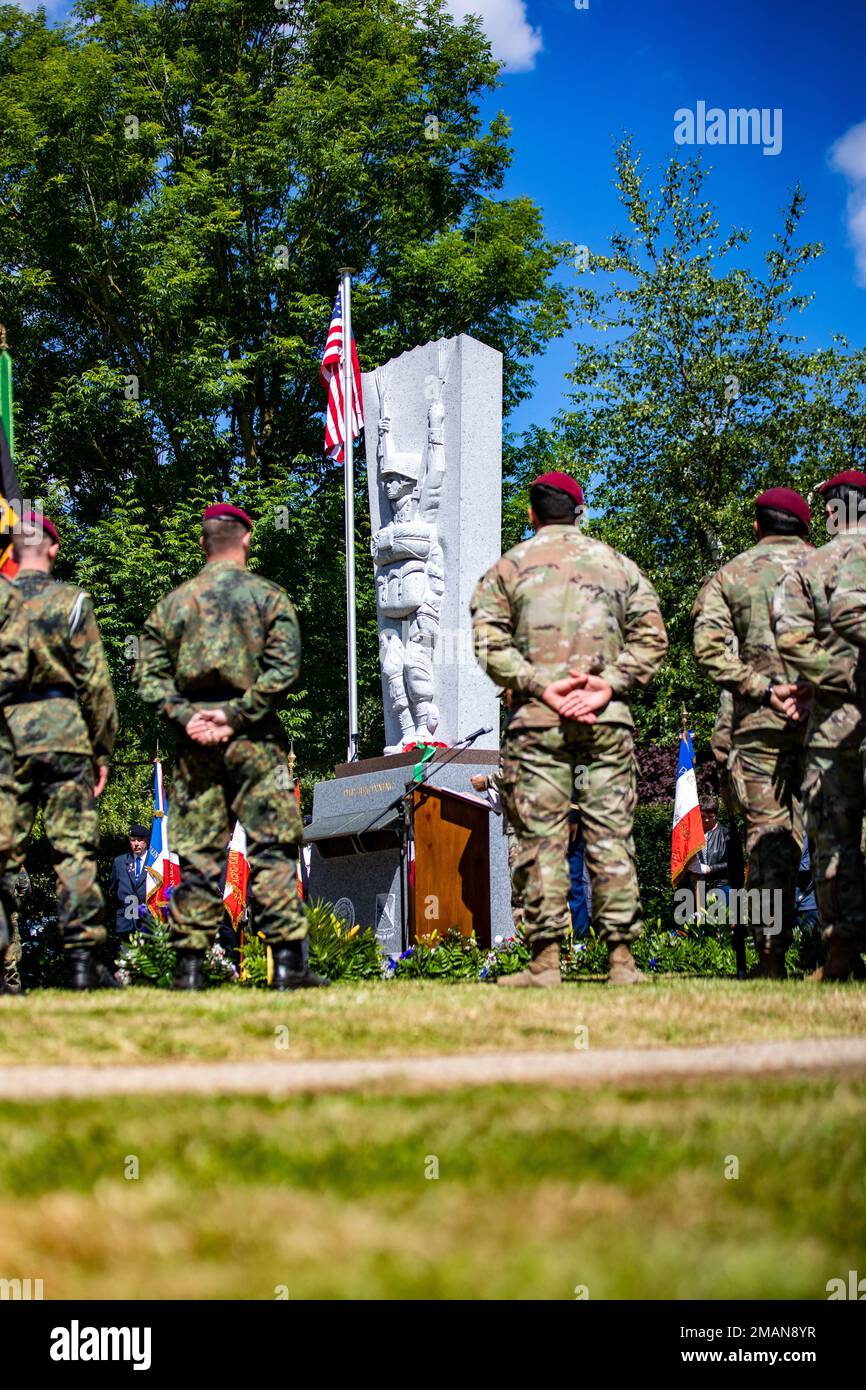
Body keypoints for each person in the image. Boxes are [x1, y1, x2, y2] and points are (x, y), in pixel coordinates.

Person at [470, 471, 668, 986]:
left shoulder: (508, 568)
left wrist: (540, 685)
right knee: (611, 833)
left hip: (537, 722)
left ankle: (546, 963)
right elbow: (653, 638)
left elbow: (487, 643)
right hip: (605, 720)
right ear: (579, 512)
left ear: (532, 514)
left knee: (541, 837)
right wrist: (607, 685)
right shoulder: (618, 566)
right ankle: (622, 961)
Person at [135, 503, 326, 990]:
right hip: (255, 742)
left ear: (203, 543)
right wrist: (235, 714)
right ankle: (287, 966)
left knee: (199, 855)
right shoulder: (268, 597)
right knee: (272, 850)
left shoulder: (173, 604)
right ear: (246, 539)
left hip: (196, 746)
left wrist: (191, 717)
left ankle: (191, 970)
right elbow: (285, 671)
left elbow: (147, 676)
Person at [692, 488, 812, 977]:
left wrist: (762, 689)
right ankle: (844, 949)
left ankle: (770, 958)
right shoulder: (836, 567)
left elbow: (708, 647)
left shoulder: (731, 575)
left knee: (768, 839)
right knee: (842, 832)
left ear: (758, 527)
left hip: (759, 729)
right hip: (829, 721)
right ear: (806, 527)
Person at [0, 511, 116, 989]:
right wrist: (101, 750)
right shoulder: (71, 602)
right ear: (51, 547)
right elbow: (97, 685)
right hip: (65, 734)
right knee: (73, 851)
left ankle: (5, 976)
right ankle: (84, 966)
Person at [773, 470, 866, 981]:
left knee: (834, 836)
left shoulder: (815, 564)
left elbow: (789, 637)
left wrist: (829, 679)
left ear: (835, 510)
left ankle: (841, 956)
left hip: (836, 716)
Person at [108, 822, 151, 942]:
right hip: (126, 924)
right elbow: (112, 891)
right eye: (133, 840)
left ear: (146, 841)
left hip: (149, 923)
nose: (136, 844)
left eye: (139, 840)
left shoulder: (155, 863)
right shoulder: (120, 862)